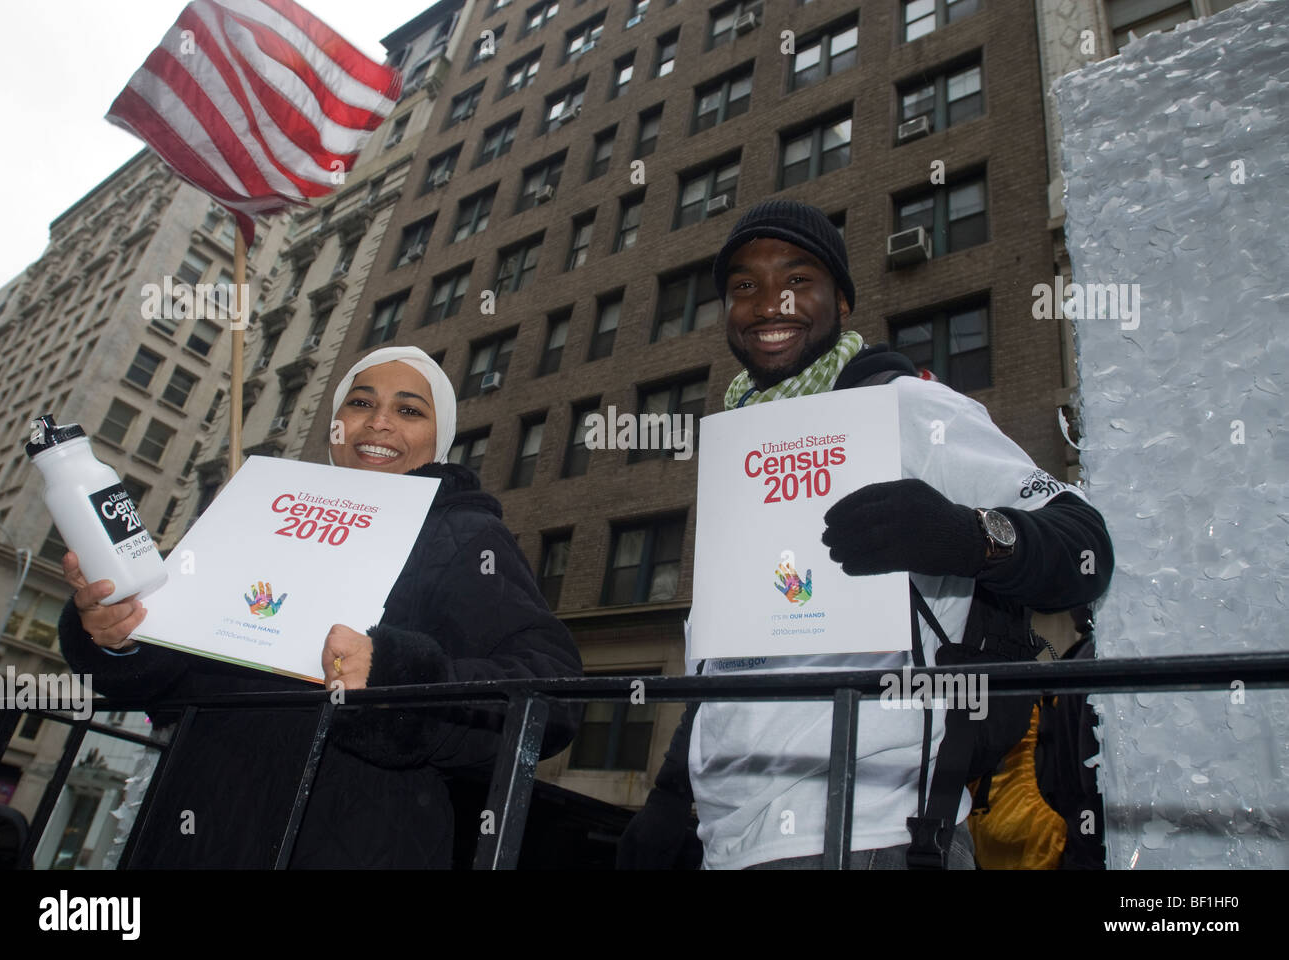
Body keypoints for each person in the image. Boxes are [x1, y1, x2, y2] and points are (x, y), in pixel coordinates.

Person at [618, 199, 1113, 870]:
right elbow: (725, 663)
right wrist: (669, 802)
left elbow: (1084, 546)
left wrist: (968, 537)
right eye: (744, 286)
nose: (771, 302)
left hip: (872, 833)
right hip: (728, 845)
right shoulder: (739, 449)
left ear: (842, 303)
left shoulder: (905, 406)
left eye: (798, 279)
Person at [58, 346, 582, 868]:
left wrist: (392, 680)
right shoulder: (260, 512)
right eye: (359, 403)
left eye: (408, 410)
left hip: (361, 846)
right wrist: (120, 637)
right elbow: (170, 681)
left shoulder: (466, 536)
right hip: (189, 836)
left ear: (438, 438)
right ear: (334, 424)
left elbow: (552, 696)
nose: (378, 423)